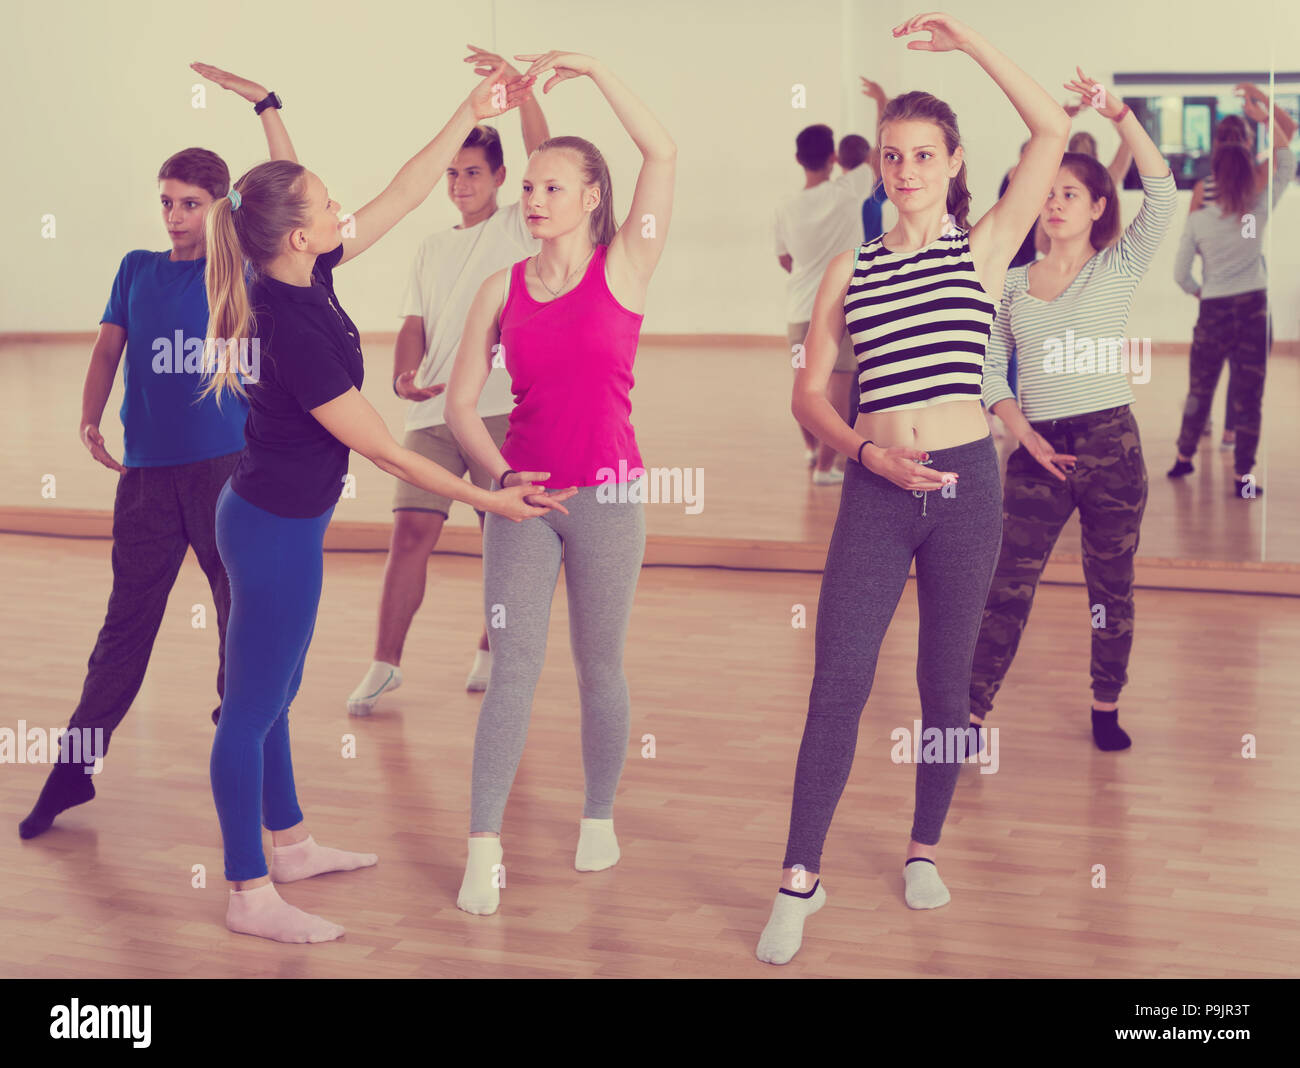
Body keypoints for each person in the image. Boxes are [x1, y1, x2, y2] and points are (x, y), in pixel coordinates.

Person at [198, 62, 557, 944]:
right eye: (323, 207)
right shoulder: (290, 328)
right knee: (248, 711)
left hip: (281, 520)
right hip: (272, 532)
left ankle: (289, 844)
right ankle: (248, 892)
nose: (339, 213)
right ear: (295, 237)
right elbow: (389, 447)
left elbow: (399, 190)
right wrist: (490, 496)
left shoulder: (303, 274)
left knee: (272, 695)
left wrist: (464, 109)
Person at [756, 11, 1069, 966]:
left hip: (969, 488)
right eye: (893, 155)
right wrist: (863, 452)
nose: (905, 170)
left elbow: (1052, 130)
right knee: (837, 686)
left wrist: (971, 44)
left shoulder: (982, 248)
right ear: (879, 165)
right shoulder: (847, 271)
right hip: (877, 492)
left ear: (954, 162)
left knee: (945, 687)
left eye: (924, 155)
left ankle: (923, 848)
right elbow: (808, 392)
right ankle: (798, 878)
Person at [18, 63, 294, 840]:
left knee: (239, 619)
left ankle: (245, 753)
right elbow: (109, 352)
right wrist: (87, 418)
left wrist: (265, 104)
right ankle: (71, 774)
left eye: (191, 204)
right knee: (123, 629)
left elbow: (286, 180)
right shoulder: (135, 270)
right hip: (144, 481)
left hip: (223, 477)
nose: (175, 216)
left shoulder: (238, 267)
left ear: (221, 208)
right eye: (167, 202)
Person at [444, 49, 675, 916]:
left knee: (597, 667)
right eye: (527, 187)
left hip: (609, 497)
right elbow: (465, 407)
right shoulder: (499, 289)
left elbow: (664, 154)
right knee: (512, 669)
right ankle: (481, 847)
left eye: (549, 187)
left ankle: (599, 813)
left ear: (589, 198)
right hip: (522, 500)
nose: (532, 198)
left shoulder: (627, 267)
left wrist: (596, 71)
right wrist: (503, 478)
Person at [969, 67, 1177, 755]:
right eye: (1047, 191)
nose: (1055, 202)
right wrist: (1019, 429)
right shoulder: (1009, 285)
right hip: (1037, 447)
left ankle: (1105, 703)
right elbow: (989, 367)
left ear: (1095, 207)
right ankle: (971, 716)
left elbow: (1164, 192)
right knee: (1008, 586)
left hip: (1111, 444)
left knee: (1110, 586)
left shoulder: (1116, 266)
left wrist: (1118, 112)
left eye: (1070, 194)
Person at [346, 47, 549, 715]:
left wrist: (521, 98)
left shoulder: (521, 224)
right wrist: (404, 371)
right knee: (410, 532)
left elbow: (545, 154)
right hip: (431, 416)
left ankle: (490, 647)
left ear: (500, 178)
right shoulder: (431, 248)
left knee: (502, 537)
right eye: (452, 174)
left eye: (472, 173)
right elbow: (414, 324)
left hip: (497, 410)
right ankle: (384, 663)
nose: (459, 183)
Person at [1169, 93, 1296, 499]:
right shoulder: (1253, 215)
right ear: (1246, 173)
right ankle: (1243, 477)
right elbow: (1288, 162)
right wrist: (1264, 119)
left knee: (1199, 389)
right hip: (1254, 311)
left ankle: (1184, 459)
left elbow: (1179, 274)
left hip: (1214, 310)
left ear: (1215, 175)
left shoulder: (1200, 220)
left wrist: (1200, 290)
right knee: (1249, 396)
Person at [775, 122, 875, 484]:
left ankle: (812, 450)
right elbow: (878, 152)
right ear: (833, 157)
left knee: (804, 386)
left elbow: (785, 260)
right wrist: (880, 100)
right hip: (841, 309)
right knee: (838, 390)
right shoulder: (849, 190)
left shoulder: (784, 207)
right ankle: (825, 468)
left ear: (798, 159)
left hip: (799, 311)